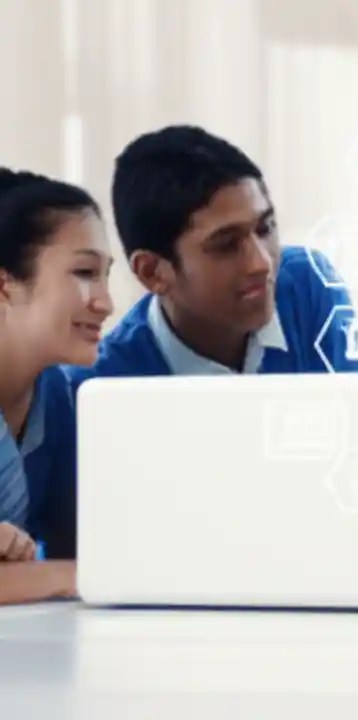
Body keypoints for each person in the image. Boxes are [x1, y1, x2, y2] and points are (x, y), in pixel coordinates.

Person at [69, 125, 358, 581]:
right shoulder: (104, 386)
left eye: (266, 228)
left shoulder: (307, 287)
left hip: (322, 587)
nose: (261, 262)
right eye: (227, 245)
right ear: (152, 272)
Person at [0, 168, 114, 603]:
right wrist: (69, 576)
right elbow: (79, 571)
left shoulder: (56, 397)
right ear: (4, 286)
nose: (106, 303)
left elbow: (83, 548)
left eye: (105, 275)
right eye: (84, 272)